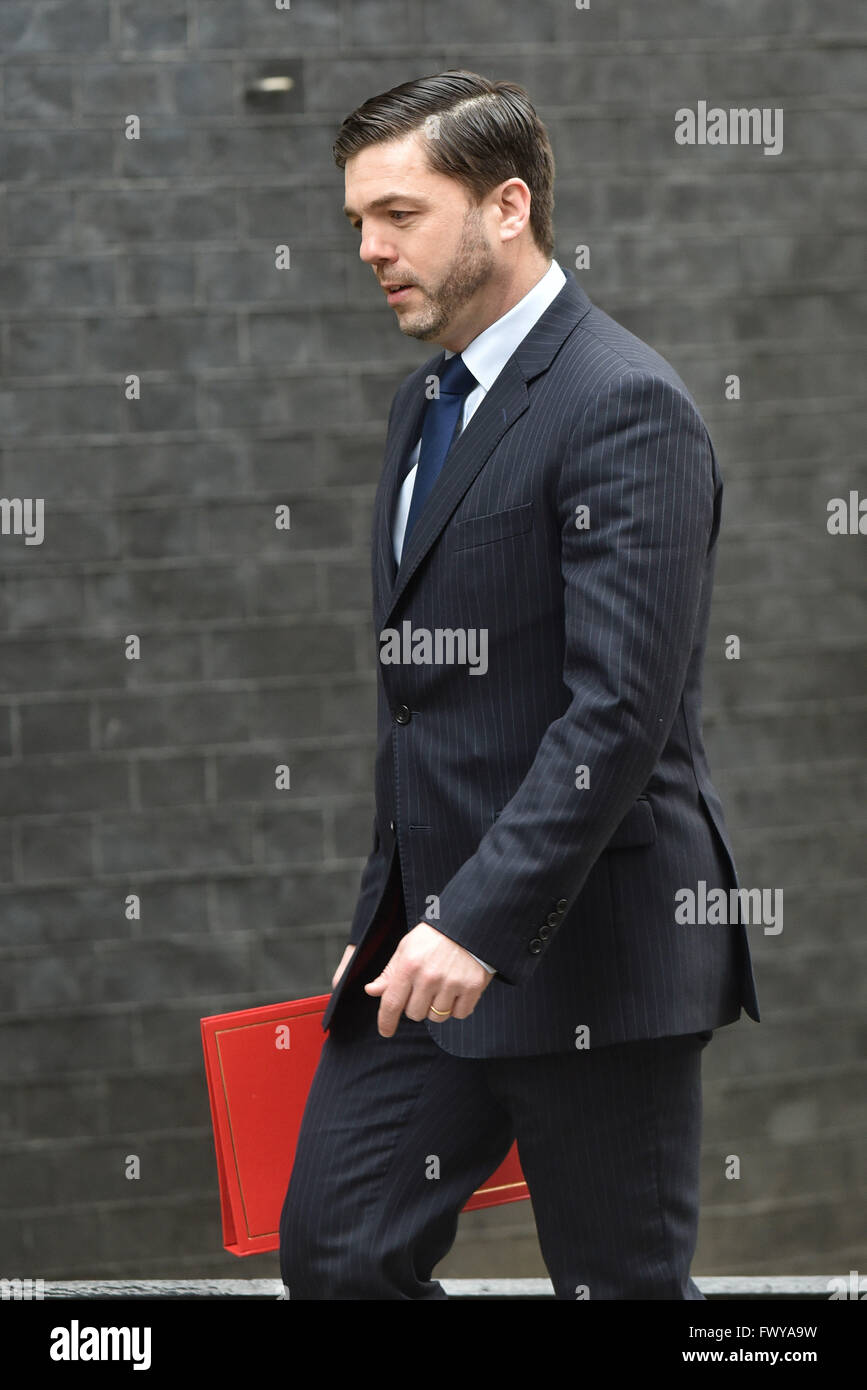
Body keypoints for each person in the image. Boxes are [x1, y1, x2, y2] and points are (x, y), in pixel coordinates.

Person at [279, 70, 759, 1300]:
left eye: (399, 214)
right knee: (337, 1254)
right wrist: (388, 911)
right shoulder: (423, 403)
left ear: (507, 206)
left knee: (619, 1287)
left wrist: (474, 922)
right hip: (425, 946)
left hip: (597, 946)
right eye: (357, 222)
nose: (370, 249)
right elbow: (425, 707)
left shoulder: (624, 403)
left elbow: (618, 711)